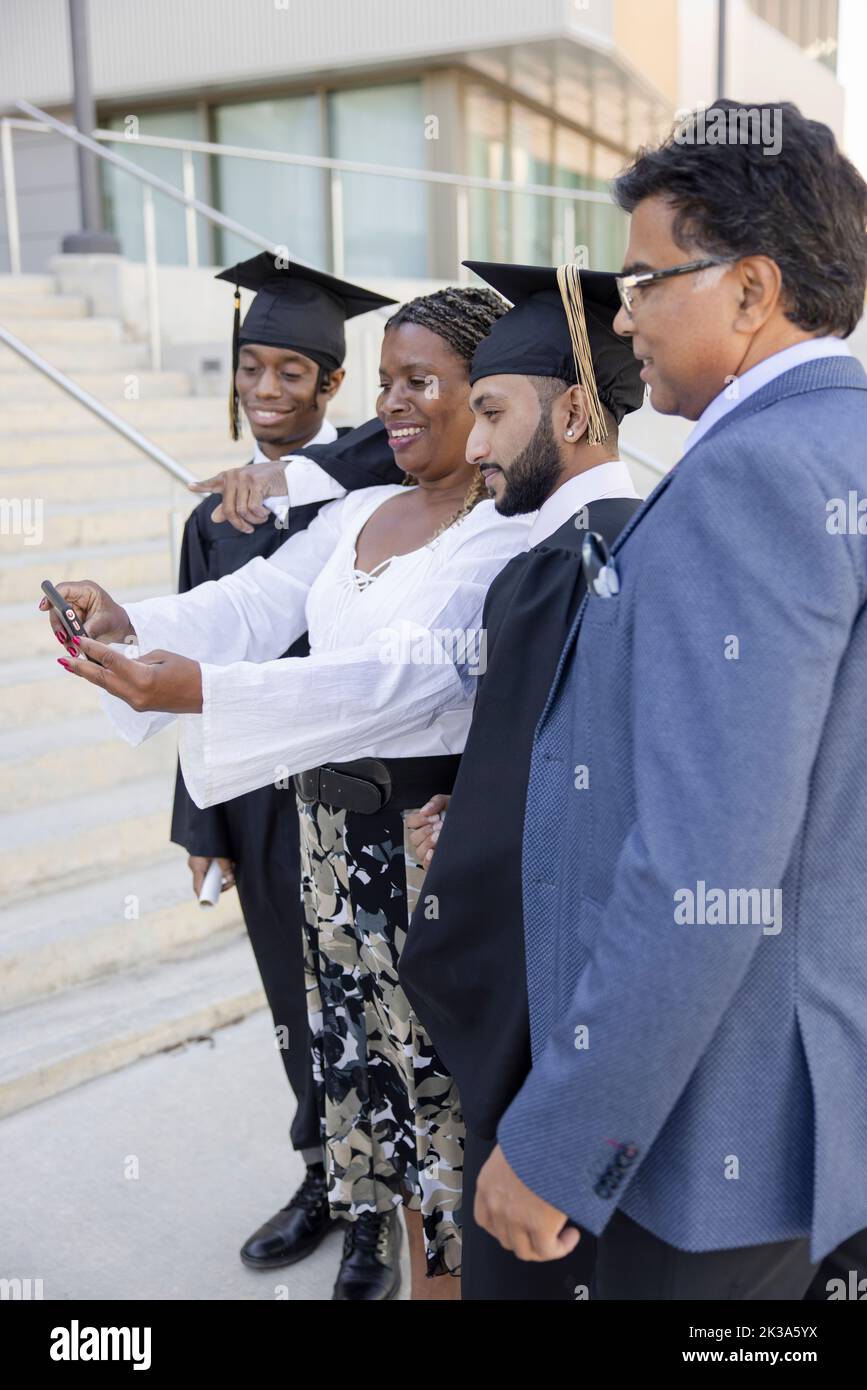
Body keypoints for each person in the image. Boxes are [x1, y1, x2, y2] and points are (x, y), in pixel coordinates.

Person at [42, 284, 533, 1301]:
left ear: (484, 394)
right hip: (329, 849)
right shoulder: (358, 507)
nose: (394, 403)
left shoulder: (505, 533)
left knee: (440, 1120)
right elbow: (255, 601)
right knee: (368, 1095)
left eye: (421, 382)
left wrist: (202, 688)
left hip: (429, 853)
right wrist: (128, 617)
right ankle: (383, 1254)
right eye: (388, 381)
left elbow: (402, 678)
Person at [468, 100, 867, 1300]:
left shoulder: (747, 478)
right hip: (814, 1113)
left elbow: (711, 863)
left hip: (707, 1145)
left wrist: (561, 1142)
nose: (624, 310)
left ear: (752, 290)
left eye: (648, 278)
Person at [398, 259, 644, 1300]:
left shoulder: (551, 569)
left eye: (492, 410)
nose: (479, 442)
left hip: (552, 1029)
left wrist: (460, 851)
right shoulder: (650, 534)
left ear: (577, 407)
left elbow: (518, 848)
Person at [168, 252, 402, 1276]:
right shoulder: (210, 521)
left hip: (357, 795)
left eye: (291, 373)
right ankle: (322, 1175)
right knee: (292, 1007)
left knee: (370, 1008)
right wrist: (201, 822)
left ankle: (378, 1212)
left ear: (332, 385)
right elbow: (193, 671)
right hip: (262, 805)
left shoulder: (374, 487)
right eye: (251, 368)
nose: (267, 390)